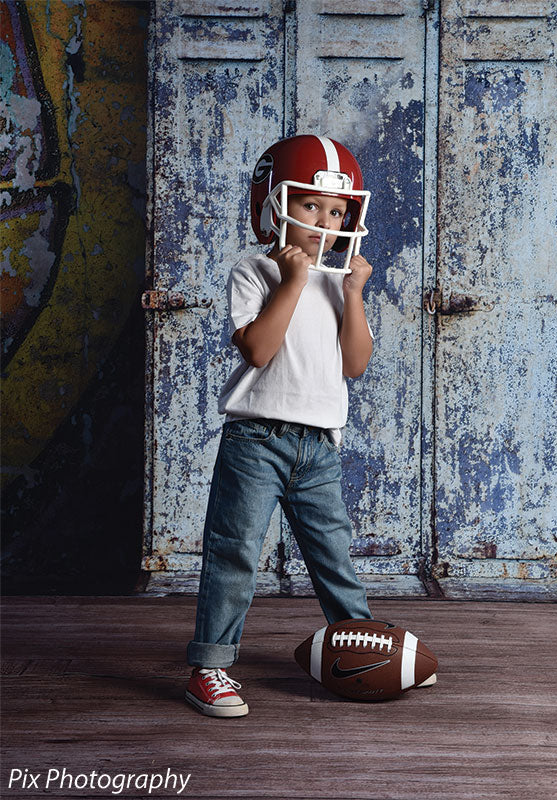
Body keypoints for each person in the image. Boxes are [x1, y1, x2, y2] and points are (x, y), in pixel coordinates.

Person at [185, 134, 374, 717]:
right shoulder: (255, 268)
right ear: (273, 204)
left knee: (334, 555)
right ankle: (209, 667)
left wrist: (356, 296)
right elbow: (260, 351)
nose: (324, 221)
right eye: (310, 205)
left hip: (319, 445)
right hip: (257, 440)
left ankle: (366, 650)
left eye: (337, 210)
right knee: (235, 551)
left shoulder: (337, 279)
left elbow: (355, 363)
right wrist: (291, 282)